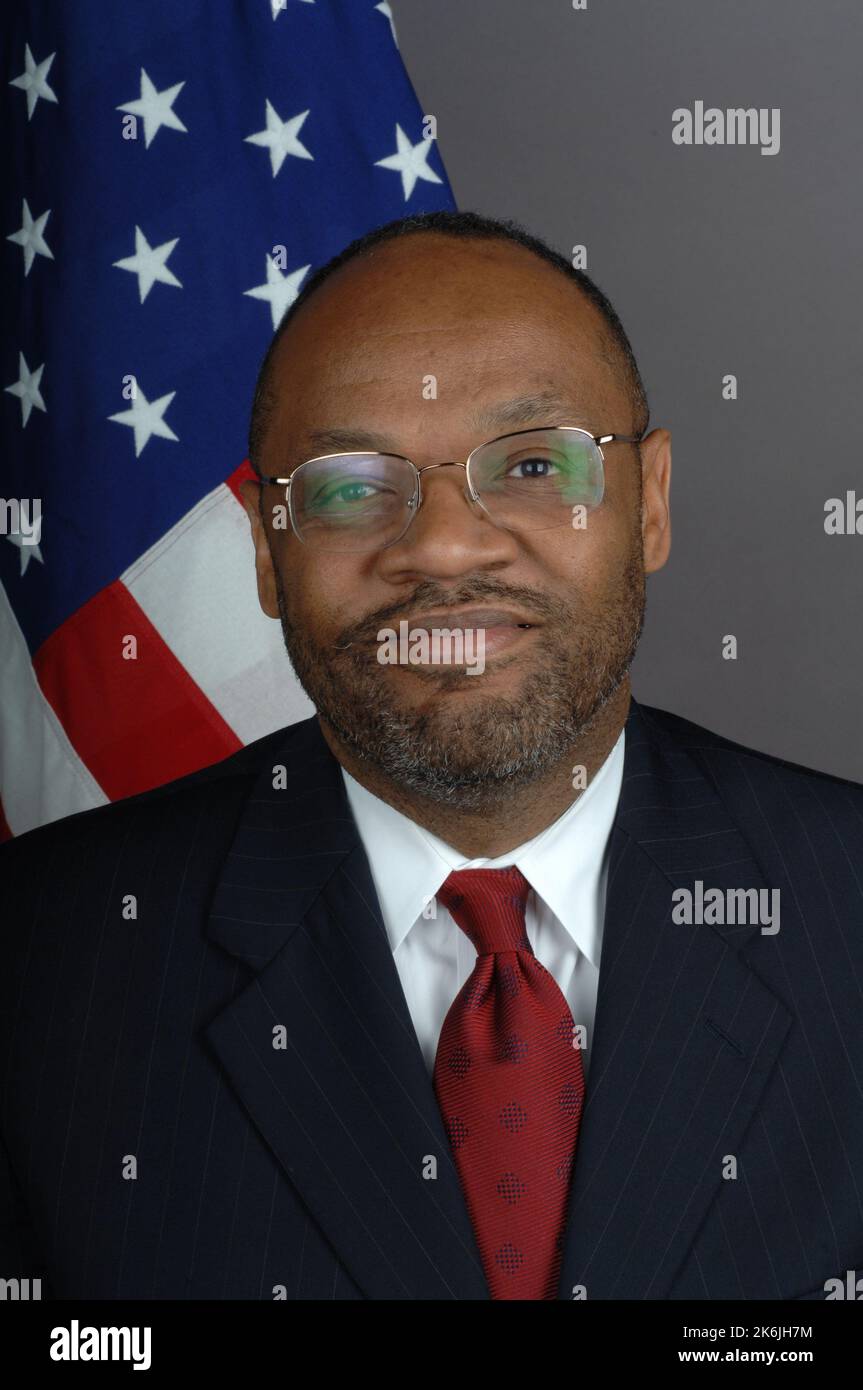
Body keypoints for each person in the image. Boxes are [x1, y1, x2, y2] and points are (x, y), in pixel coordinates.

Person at [2, 210, 861, 1301]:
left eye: (536, 462)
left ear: (647, 503)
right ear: (269, 551)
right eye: (350, 486)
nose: (445, 545)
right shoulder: (41, 966)